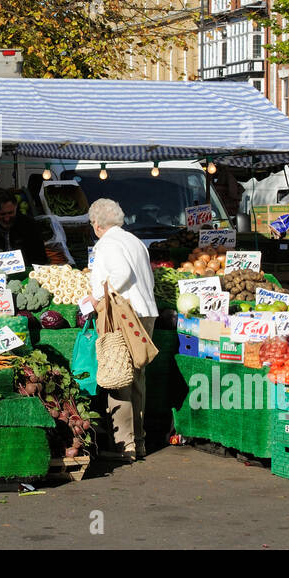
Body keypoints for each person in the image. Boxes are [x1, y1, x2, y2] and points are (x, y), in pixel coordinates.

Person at [87, 197, 158, 462]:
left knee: (118, 378)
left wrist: (98, 299)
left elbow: (121, 272)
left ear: (97, 224)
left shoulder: (106, 244)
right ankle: (138, 443)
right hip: (145, 312)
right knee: (137, 378)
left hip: (125, 316)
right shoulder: (135, 241)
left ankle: (124, 445)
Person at [0, 189, 48, 267]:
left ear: (16, 206)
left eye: (10, 213)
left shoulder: (30, 227)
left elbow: (40, 259)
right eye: (2, 214)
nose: (7, 218)